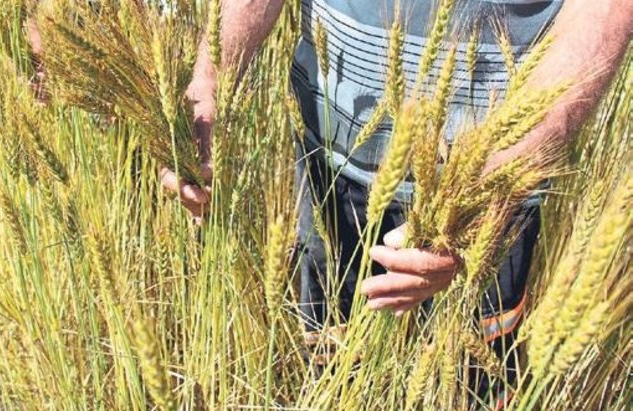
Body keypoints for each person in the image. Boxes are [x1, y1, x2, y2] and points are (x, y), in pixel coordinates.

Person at [158, 0, 632, 404]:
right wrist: (211, 79)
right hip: (328, 164)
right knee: (332, 362)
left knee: (471, 384)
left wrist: (487, 188)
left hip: (494, 191)